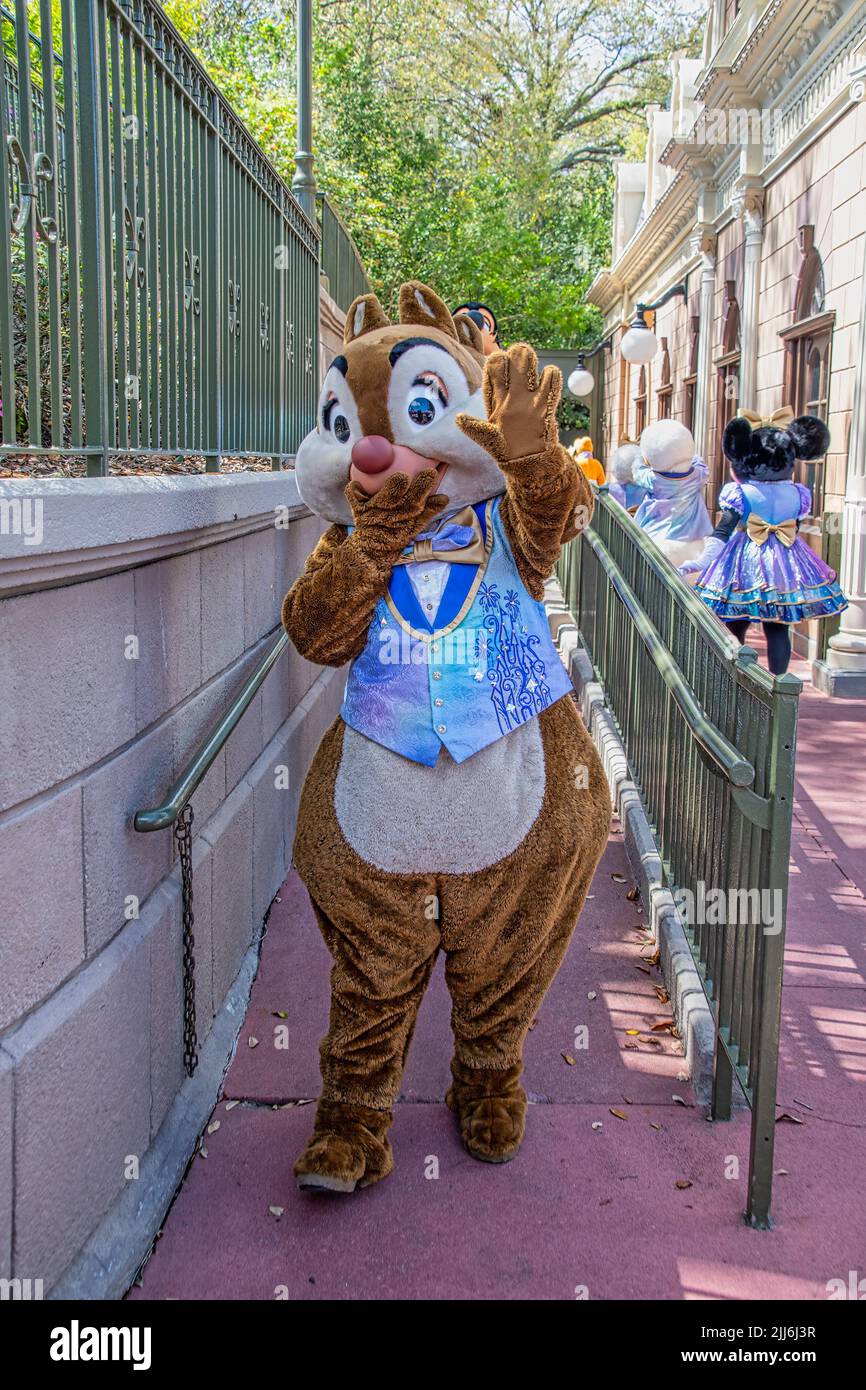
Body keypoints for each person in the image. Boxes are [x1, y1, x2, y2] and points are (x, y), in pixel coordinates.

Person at [680, 409, 847, 675]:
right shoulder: (797, 494)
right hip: (786, 563)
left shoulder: (740, 493)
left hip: (744, 561)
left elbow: (723, 531)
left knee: (735, 620)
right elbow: (796, 527)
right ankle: (780, 685)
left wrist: (701, 562)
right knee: (778, 626)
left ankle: (734, 677)